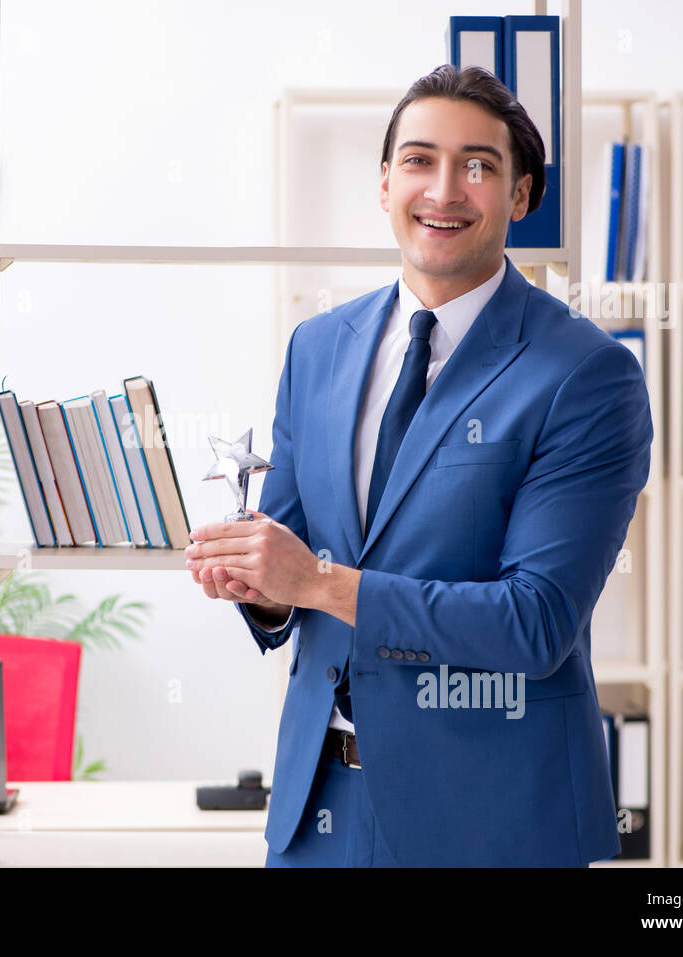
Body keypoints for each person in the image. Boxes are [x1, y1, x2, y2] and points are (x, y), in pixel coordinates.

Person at [184, 64, 651, 867]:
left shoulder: (586, 373)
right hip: (319, 808)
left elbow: (534, 622)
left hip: (493, 817)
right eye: (418, 159)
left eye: (479, 165)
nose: (444, 189)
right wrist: (257, 585)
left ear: (522, 196)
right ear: (384, 183)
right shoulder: (319, 346)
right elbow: (294, 563)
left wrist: (319, 582)